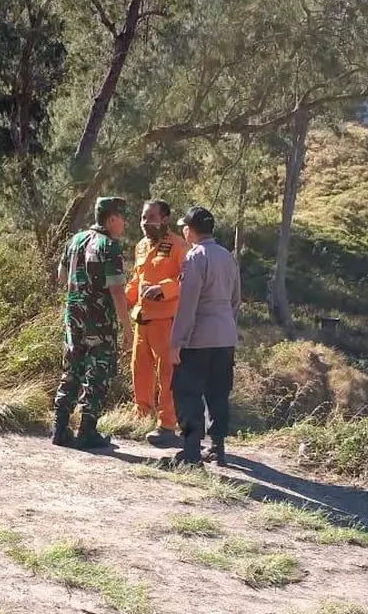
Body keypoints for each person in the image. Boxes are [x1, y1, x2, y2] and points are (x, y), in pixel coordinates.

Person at [52, 196, 133, 449]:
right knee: (97, 375)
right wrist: (127, 329)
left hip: (73, 318)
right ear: (112, 219)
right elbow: (117, 291)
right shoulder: (109, 246)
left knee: (71, 371)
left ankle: (59, 428)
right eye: (123, 218)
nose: (124, 224)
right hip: (99, 322)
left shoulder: (75, 240)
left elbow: (61, 276)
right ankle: (87, 432)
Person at [169, 206, 241, 466]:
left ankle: (191, 451)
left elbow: (187, 305)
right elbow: (236, 299)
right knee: (218, 393)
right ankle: (217, 448)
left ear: (190, 230)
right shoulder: (228, 257)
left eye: (184, 227)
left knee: (187, 392)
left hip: (198, 338)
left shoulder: (195, 257)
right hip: (226, 336)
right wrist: (228, 327)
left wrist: (177, 342)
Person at [126, 199, 188, 447]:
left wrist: (163, 289)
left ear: (164, 219)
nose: (145, 222)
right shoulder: (141, 246)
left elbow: (186, 279)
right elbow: (136, 279)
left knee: (167, 374)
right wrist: (121, 299)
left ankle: (167, 425)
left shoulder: (178, 245)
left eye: (151, 217)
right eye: (143, 217)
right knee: (139, 370)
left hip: (166, 320)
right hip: (142, 319)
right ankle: (141, 417)